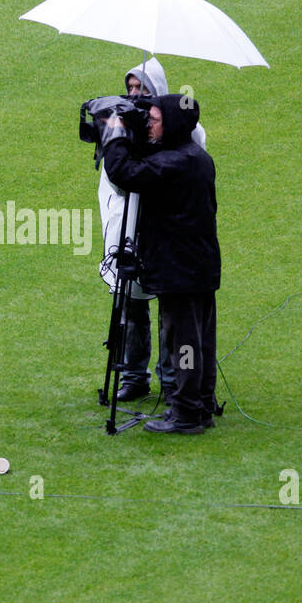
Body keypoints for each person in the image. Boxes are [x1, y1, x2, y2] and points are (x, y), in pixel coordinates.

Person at [99, 94, 219, 434]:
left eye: (154, 119)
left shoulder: (174, 163)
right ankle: (199, 406)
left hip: (179, 268)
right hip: (198, 265)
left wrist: (115, 134)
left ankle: (185, 414)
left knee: (183, 342)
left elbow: (124, 173)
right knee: (199, 341)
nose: (149, 123)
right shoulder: (194, 157)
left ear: (174, 123)